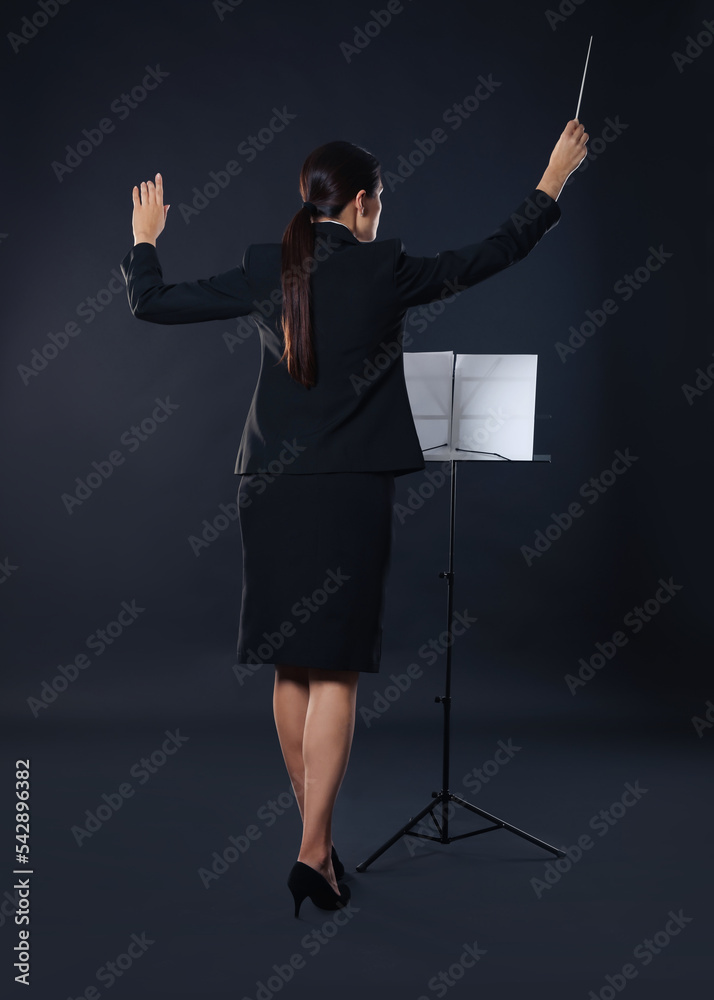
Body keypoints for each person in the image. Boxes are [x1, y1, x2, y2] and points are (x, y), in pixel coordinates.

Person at [121, 118, 588, 917]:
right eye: (380, 204)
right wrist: (552, 181)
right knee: (333, 667)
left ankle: (315, 846)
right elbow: (494, 252)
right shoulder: (388, 269)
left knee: (289, 666)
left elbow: (153, 304)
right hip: (349, 491)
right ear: (364, 206)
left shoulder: (267, 269)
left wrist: (145, 240)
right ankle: (312, 852)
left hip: (267, 487)